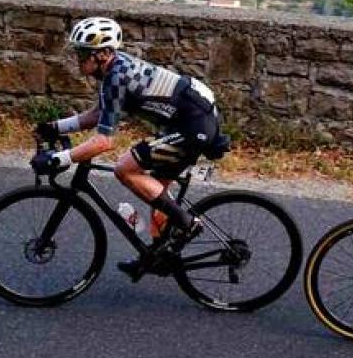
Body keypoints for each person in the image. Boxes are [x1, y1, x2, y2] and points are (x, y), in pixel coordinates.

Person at [34, 16, 224, 277]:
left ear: (103, 54)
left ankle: (189, 224)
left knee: (125, 168)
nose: (78, 59)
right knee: (156, 195)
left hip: (194, 124)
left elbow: (104, 141)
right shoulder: (113, 71)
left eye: (83, 53)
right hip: (191, 116)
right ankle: (156, 256)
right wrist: (54, 127)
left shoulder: (116, 76)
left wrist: (59, 159)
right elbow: (96, 115)